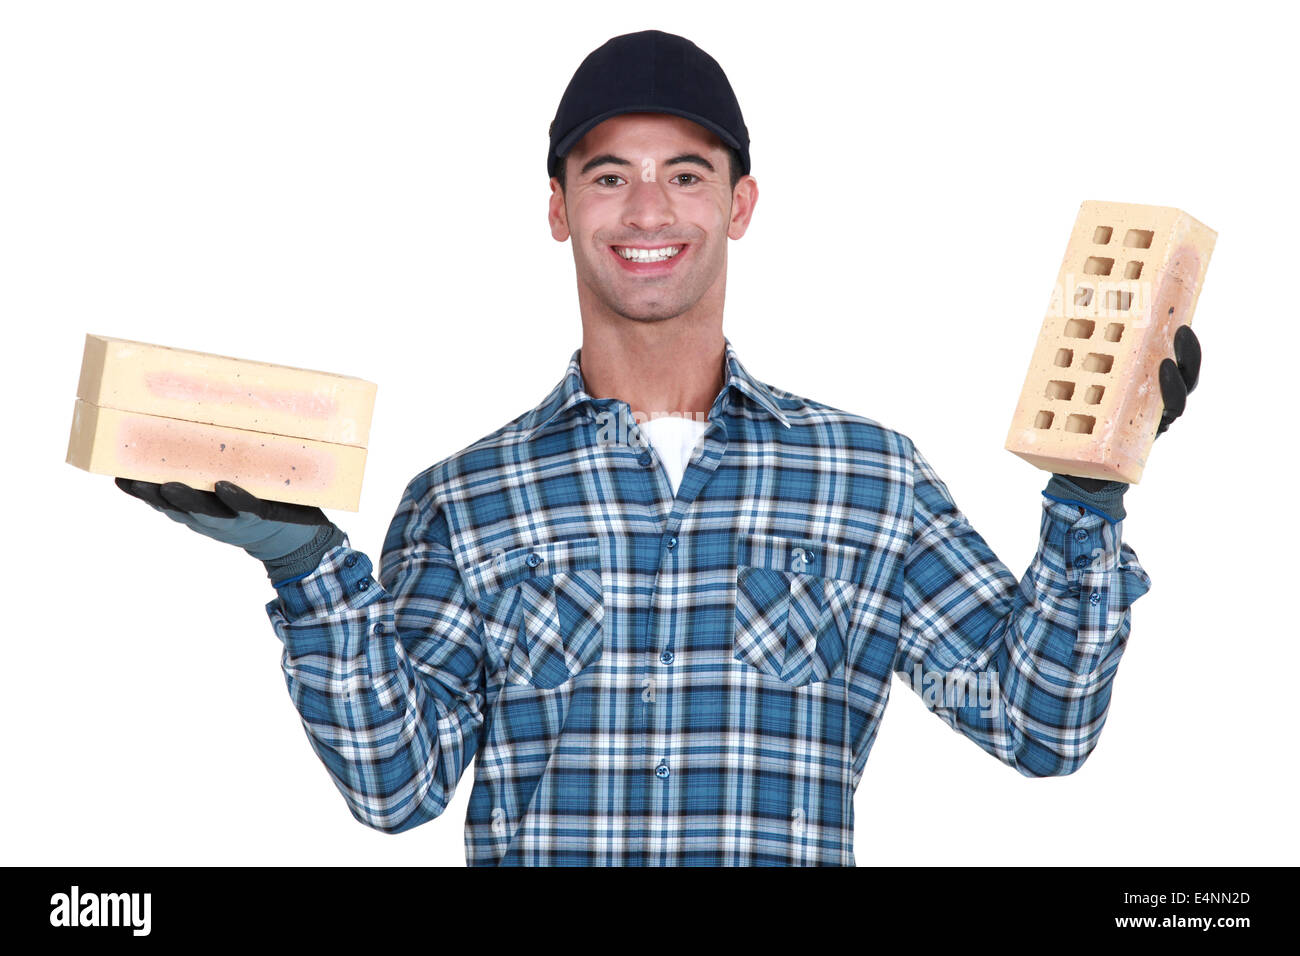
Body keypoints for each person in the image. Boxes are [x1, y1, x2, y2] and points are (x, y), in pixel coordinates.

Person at [116, 29, 1202, 866]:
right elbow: (395, 786)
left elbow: (1040, 722)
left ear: (740, 204)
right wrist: (307, 570)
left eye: (686, 174)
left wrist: (1088, 494)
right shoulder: (466, 497)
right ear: (558, 209)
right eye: (607, 175)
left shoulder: (870, 480)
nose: (648, 207)